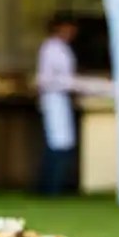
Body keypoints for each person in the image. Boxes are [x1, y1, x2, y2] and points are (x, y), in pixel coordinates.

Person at [34, 12, 78, 195]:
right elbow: (46, 79)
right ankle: (49, 186)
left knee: (63, 143)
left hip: (62, 99)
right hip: (53, 98)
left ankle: (58, 184)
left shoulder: (63, 48)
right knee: (56, 143)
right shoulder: (50, 48)